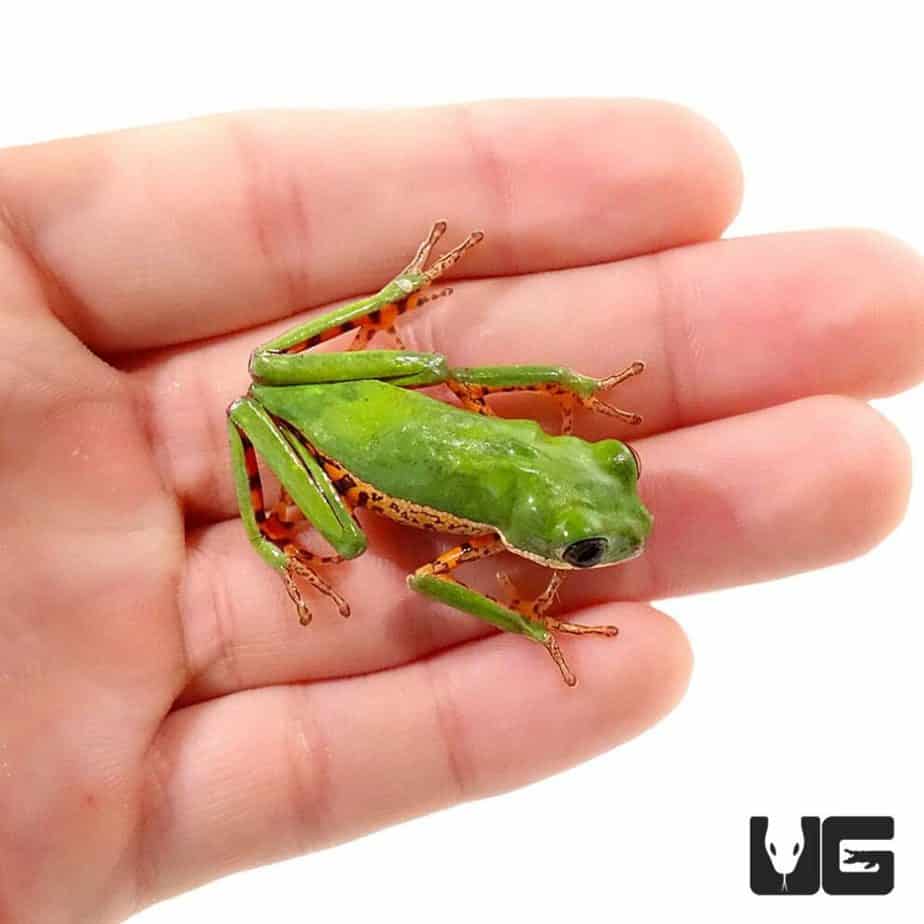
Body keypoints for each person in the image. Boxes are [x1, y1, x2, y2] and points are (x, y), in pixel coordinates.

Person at [0, 99, 920, 922]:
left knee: (434, 374)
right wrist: (522, 617)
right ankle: (277, 541)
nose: (610, 523)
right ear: (524, 537)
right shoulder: (473, 542)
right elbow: (438, 582)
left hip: (361, 391)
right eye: (583, 544)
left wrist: (560, 383)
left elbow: (471, 380)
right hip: (314, 429)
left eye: (615, 465)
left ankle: (383, 326)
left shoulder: (529, 463)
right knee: (351, 527)